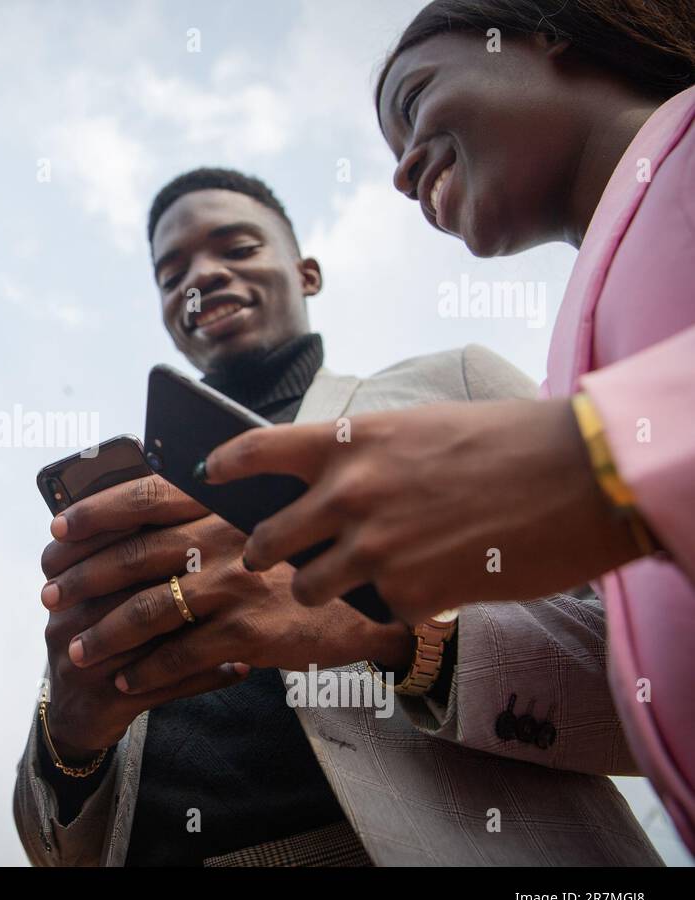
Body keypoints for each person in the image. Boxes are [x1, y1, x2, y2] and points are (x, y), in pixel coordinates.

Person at [13, 168, 658, 866]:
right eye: (173, 275)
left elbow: (656, 656)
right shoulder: (133, 497)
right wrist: (69, 747)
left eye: (236, 247)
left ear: (307, 273)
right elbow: (51, 845)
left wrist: (399, 627)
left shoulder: (458, 385)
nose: (203, 277)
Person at [205, 0, 695, 849]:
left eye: (416, 96)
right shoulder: (582, 328)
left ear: (548, 32)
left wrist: (594, 458)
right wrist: (405, 639)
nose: (400, 175)